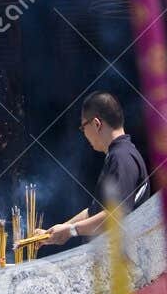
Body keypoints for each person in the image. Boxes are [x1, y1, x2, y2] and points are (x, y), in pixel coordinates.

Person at [43, 91, 148, 246]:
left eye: (83, 127)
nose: (84, 133)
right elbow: (95, 211)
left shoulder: (122, 156)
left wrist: (72, 230)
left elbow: (115, 215)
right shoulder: (118, 154)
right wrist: (58, 231)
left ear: (97, 124)